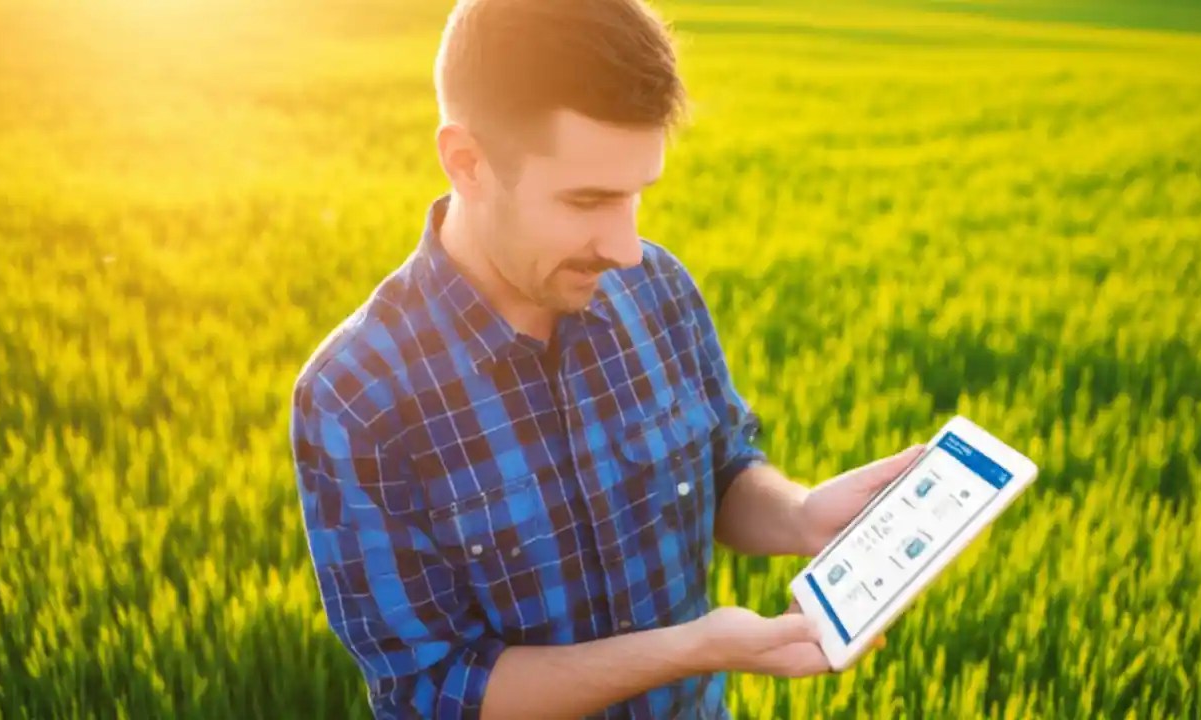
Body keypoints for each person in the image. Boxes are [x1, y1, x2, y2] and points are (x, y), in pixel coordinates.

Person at [288, 1, 923, 717]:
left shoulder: (658, 288)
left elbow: (722, 468)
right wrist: (692, 649)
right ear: (467, 162)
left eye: (635, 196)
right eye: (587, 201)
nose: (625, 247)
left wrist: (802, 514)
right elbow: (438, 692)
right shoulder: (358, 395)